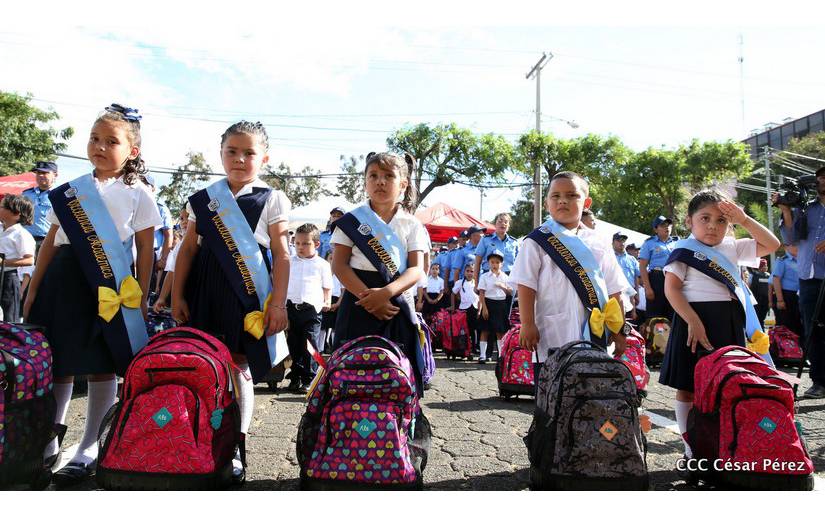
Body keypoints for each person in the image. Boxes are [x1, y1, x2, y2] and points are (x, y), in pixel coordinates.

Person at [24, 104, 162, 485]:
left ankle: (89, 445)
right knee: (59, 359)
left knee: (102, 360)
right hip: (64, 278)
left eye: (111, 141)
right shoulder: (70, 191)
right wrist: (34, 285)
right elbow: (51, 242)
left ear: (132, 150)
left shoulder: (139, 193)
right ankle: (49, 440)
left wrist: (143, 296)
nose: (99, 147)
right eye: (94, 139)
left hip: (110, 283)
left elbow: (146, 249)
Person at [172, 121, 290, 483]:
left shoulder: (272, 198)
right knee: (202, 362)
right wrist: (177, 294)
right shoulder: (204, 198)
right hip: (204, 286)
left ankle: (236, 445)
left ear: (264, 158)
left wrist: (278, 304)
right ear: (220, 153)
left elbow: (283, 256)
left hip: (248, 293)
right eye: (232, 151)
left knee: (240, 366)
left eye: (249, 152)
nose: (240, 159)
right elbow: (188, 249)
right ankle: (198, 440)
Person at [659, 190, 779, 461]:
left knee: (728, 382)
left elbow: (772, 244)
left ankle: (724, 443)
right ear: (689, 221)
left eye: (721, 220)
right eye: (705, 218)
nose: (713, 226)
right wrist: (693, 321)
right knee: (687, 385)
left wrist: (744, 219)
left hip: (728, 319)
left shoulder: (733, 247)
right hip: (693, 321)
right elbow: (672, 289)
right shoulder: (684, 250)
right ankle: (690, 447)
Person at [510, 172, 631, 384]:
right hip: (552, 332)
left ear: (586, 202)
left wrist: (619, 331)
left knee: (593, 394)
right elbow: (526, 284)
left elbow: (615, 290)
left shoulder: (600, 242)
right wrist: (527, 323)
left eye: (572, 195)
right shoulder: (537, 241)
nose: (562, 200)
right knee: (552, 396)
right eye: (555, 196)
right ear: (547, 203)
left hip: (594, 333)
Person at [330, 151, 427, 394]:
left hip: (395, 302)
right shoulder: (351, 221)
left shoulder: (412, 224)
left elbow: (416, 269)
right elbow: (339, 265)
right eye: (373, 175)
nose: (380, 181)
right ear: (365, 182)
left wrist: (385, 294)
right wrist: (369, 297)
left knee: (397, 371)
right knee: (351, 369)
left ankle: (395, 426)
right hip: (357, 301)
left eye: (388, 176)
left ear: (403, 184)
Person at [775, 168, 825, 399]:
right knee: (811, 329)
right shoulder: (806, 209)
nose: (822, 180)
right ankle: (818, 381)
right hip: (809, 278)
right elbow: (790, 238)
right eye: (820, 177)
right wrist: (786, 209)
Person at [285, 223, 332, 393]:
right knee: (294, 343)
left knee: (310, 343)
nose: (300, 247)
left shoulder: (322, 265)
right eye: (297, 243)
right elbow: (283, 284)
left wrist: (327, 301)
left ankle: (310, 378)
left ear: (317, 244)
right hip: (292, 308)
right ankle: (295, 376)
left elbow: (327, 286)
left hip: (312, 309)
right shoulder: (289, 262)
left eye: (305, 243)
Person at [0, 194, 35, 322]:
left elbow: (29, 260)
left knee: (10, 316)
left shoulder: (21, 234)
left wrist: (4, 262)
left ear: (15, 214)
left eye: (2, 206)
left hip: (9, 278)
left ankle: (11, 340)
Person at [639, 215, 677, 321]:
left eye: (669, 224)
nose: (667, 227)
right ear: (655, 229)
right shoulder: (649, 243)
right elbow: (642, 266)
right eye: (663, 225)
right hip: (657, 279)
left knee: (673, 313)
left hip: (674, 278)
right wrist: (648, 288)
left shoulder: (677, 243)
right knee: (655, 316)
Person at [477, 250, 512, 363]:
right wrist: (484, 308)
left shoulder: (505, 277)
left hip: (500, 304)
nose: (495, 265)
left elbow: (510, 292)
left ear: (501, 264)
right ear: (488, 263)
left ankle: (501, 356)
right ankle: (482, 355)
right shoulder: (485, 276)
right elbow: (481, 293)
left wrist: (502, 286)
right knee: (485, 330)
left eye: (497, 262)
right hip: (488, 302)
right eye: (492, 262)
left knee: (500, 331)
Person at [152, 207, 189, 313]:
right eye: (182, 218)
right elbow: (172, 271)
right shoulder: (180, 245)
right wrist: (162, 297)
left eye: (188, 217)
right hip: (182, 293)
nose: (185, 221)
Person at [143, 174, 173, 294]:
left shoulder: (161, 209)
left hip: (152, 253)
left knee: (145, 290)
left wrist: (163, 259)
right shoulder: (131, 204)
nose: (143, 186)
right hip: (131, 253)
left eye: (146, 184)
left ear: (153, 188)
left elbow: (168, 235)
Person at [21, 161, 59, 251]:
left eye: (45, 173)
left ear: (55, 175)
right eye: (38, 173)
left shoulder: (59, 195)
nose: (40, 175)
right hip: (24, 239)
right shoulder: (26, 194)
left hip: (46, 241)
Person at [474, 213, 518, 280]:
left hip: (509, 278)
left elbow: (519, 265)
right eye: (500, 221)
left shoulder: (514, 242)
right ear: (495, 224)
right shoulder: (485, 240)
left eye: (506, 222)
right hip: (489, 278)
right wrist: (476, 284)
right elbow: (477, 263)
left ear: (509, 226)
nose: (503, 224)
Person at [771, 245, 802, 338]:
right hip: (787, 295)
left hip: (800, 295)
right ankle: (786, 350)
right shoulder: (782, 261)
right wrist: (780, 300)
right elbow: (776, 279)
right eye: (793, 244)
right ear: (786, 247)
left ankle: (799, 349)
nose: (797, 246)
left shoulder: (802, 259)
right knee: (787, 325)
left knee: (799, 325)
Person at [452, 263, 480, 352]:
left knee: (475, 328)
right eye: (467, 271)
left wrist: (479, 310)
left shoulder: (477, 283)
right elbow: (453, 293)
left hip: (475, 307)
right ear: (464, 272)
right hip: (464, 308)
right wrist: (453, 306)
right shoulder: (459, 282)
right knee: (464, 328)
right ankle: (464, 346)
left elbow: (481, 297)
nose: (469, 273)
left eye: (472, 271)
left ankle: (475, 347)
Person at [613, 231, 640, 321]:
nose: (622, 242)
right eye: (619, 240)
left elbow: (636, 277)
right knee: (615, 321)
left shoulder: (632, 259)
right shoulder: (608, 257)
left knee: (630, 322)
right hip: (613, 293)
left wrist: (637, 294)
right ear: (613, 242)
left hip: (629, 294)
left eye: (624, 240)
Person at [321, 250, 343, 352]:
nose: (332, 261)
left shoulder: (340, 274)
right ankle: (321, 348)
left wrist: (338, 303)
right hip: (324, 301)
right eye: (330, 258)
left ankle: (334, 348)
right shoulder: (322, 273)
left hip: (336, 301)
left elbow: (343, 291)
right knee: (322, 326)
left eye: (334, 259)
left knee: (334, 326)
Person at [749, 258, 771, 328]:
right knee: (757, 317)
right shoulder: (753, 275)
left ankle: (761, 331)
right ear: (760, 267)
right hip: (756, 300)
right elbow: (748, 286)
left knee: (762, 317)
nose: (766, 267)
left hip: (765, 300)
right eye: (764, 265)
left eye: (766, 265)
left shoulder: (768, 275)